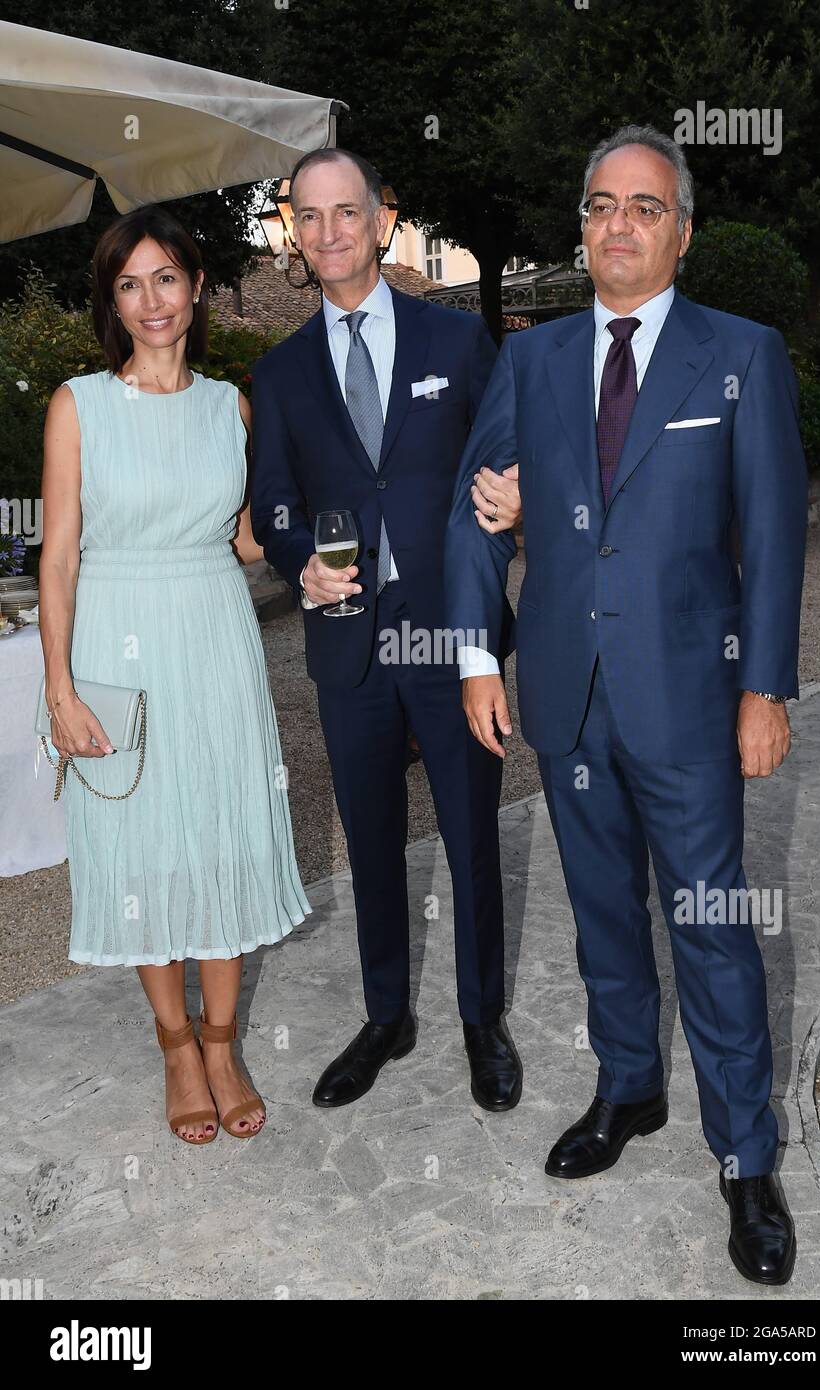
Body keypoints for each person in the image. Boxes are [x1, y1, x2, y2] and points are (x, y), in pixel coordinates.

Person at [445, 124, 806, 1284]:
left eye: (643, 207)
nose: (617, 225)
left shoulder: (741, 353)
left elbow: (775, 535)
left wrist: (762, 688)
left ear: (681, 231)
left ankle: (745, 1157)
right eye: (600, 204)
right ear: (582, 225)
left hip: (691, 703)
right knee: (603, 916)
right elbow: (476, 506)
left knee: (711, 928)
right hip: (565, 701)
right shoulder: (533, 360)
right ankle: (628, 1088)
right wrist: (472, 656)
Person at [250, 148, 522, 1111]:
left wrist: (518, 497)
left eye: (344, 213)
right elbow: (274, 504)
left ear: (380, 221)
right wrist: (299, 565)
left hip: (451, 633)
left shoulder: (454, 344)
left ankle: (483, 1019)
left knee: (469, 833)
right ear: (297, 232)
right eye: (307, 217)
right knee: (368, 835)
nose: (326, 232)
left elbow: (505, 456)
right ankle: (385, 1015)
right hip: (348, 637)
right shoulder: (278, 373)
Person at [39, 206, 311, 1145]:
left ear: (197, 286)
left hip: (213, 639)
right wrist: (59, 690)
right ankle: (175, 1047)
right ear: (112, 302)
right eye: (130, 283)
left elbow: (245, 540)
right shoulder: (78, 404)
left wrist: (315, 546)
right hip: (117, 640)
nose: (151, 300)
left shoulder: (229, 407)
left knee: (226, 830)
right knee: (144, 843)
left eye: (166, 278)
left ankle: (225, 1041)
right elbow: (61, 555)